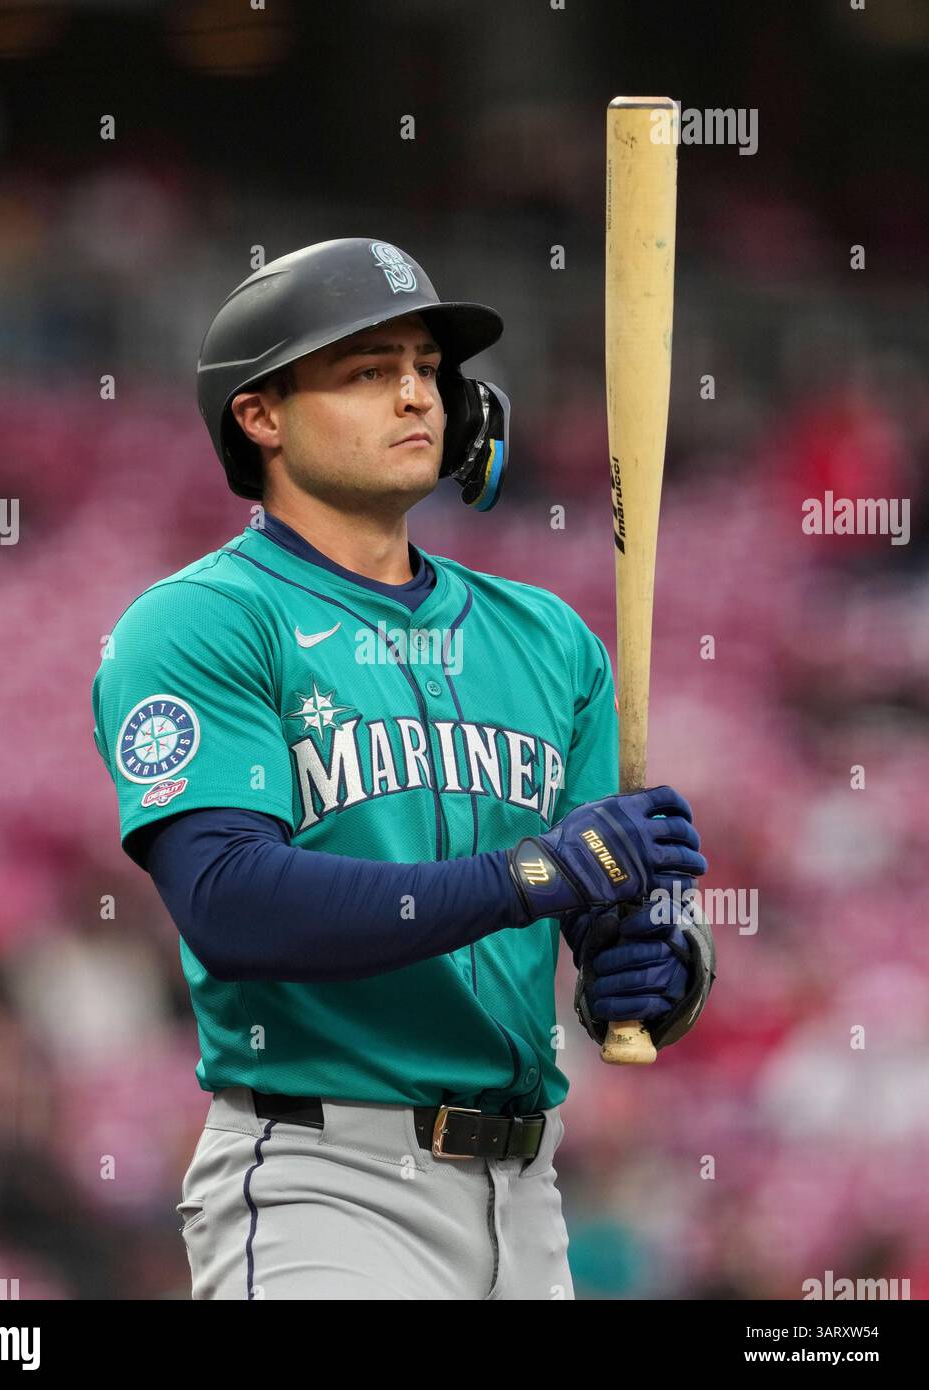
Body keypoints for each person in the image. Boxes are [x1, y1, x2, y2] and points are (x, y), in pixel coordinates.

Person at [90, 238, 715, 1300]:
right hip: (320, 1182)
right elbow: (231, 901)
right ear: (261, 413)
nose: (415, 393)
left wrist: (656, 964)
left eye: (426, 368)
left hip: (527, 1195)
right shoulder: (199, 623)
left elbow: (599, 896)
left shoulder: (548, 640)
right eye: (367, 369)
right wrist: (529, 877)